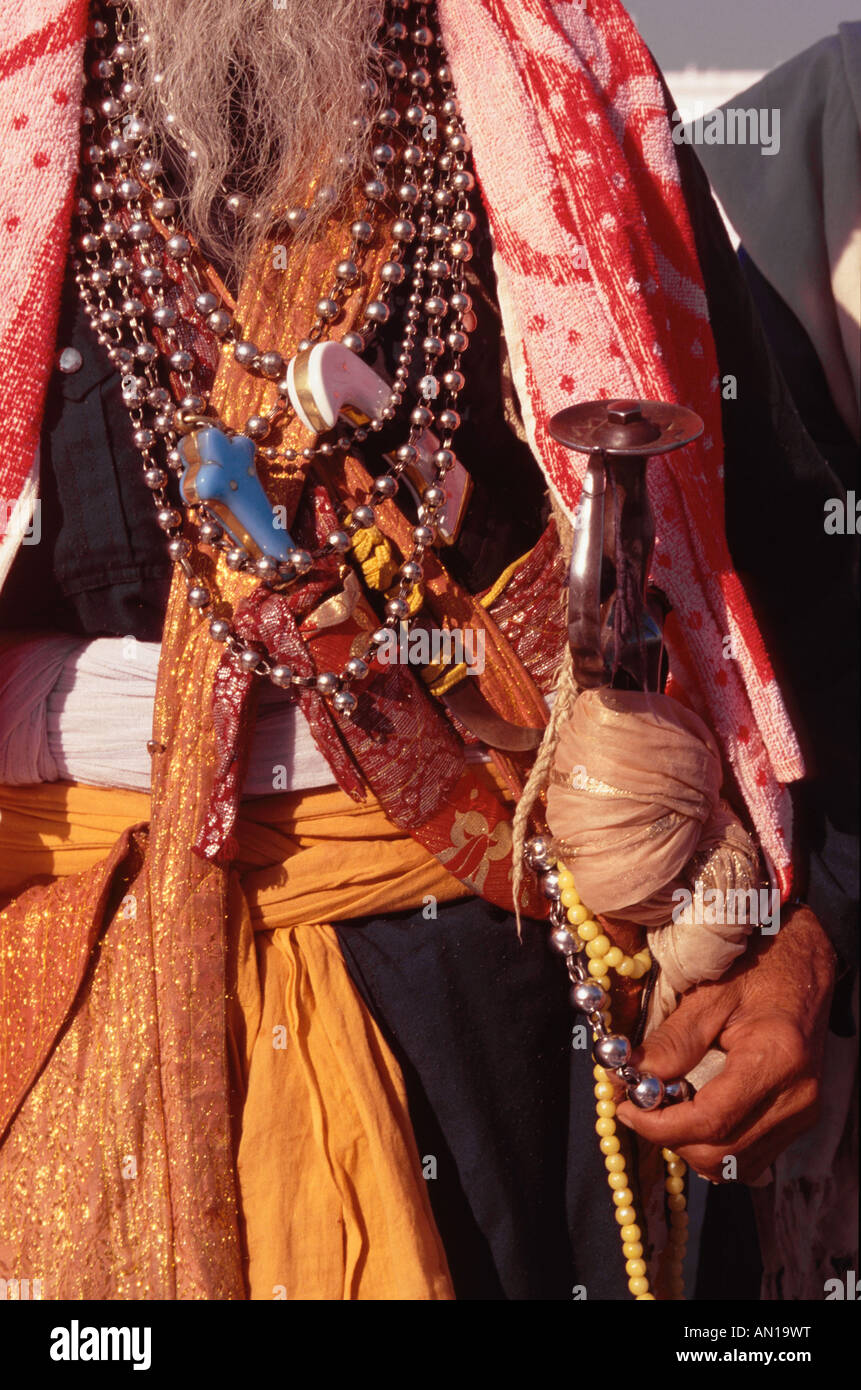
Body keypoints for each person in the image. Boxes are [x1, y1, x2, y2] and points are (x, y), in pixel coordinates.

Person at [0, 0, 845, 1301]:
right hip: (59, 1012)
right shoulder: (23, 112)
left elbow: (782, 581)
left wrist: (805, 943)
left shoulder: (555, 86)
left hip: (513, 1042)